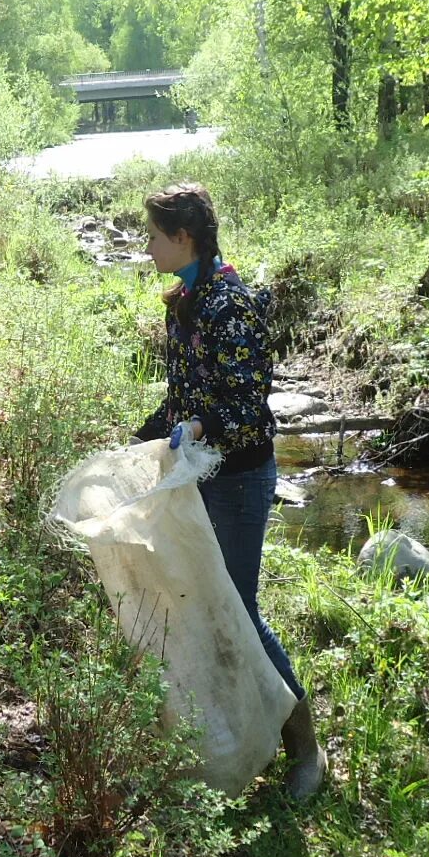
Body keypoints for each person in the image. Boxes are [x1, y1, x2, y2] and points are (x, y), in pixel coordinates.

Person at [132, 183, 327, 801]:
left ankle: (306, 750)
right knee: (203, 604)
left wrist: (195, 428)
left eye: (154, 236)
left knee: (238, 611)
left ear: (183, 238)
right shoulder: (183, 301)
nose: (148, 245)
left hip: (239, 480)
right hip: (200, 478)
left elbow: (247, 409)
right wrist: (143, 437)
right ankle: (237, 734)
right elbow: (184, 394)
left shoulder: (230, 306)